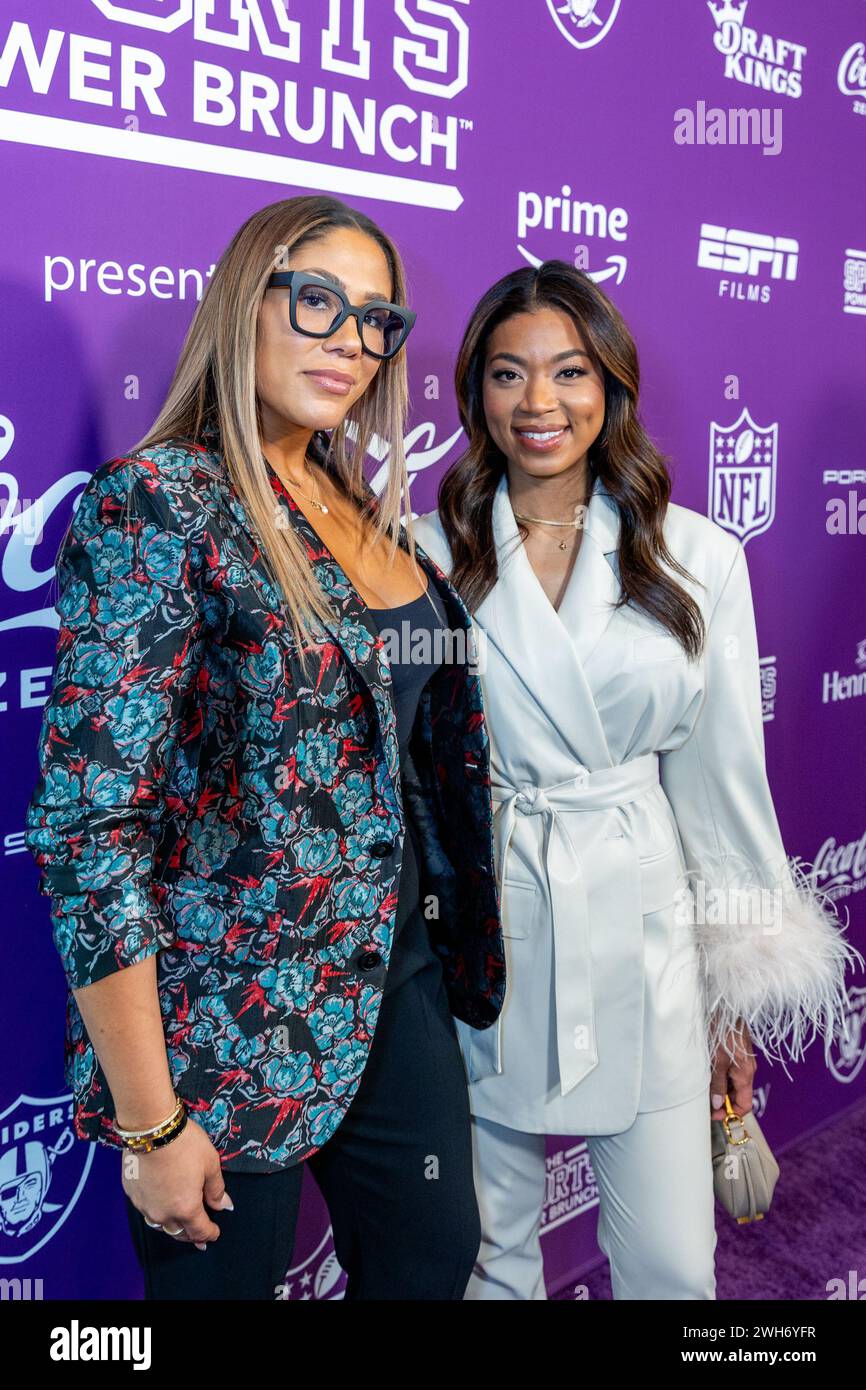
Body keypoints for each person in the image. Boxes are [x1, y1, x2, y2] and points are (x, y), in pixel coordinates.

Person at [24, 194, 504, 1301]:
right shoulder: (162, 502)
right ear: (248, 299)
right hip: (223, 1023)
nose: (351, 338)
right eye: (319, 300)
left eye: (376, 318)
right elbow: (90, 824)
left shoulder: (354, 501)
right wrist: (152, 1124)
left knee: (431, 1256)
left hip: (398, 982)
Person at [412, 260, 863, 1300]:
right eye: (507, 373)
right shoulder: (424, 553)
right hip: (484, 932)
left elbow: (720, 790)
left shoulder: (694, 556)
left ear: (611, 385)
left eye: (568, 372)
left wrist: (733, 993)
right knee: (490, 1257)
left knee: (668, 1261)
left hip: (644, 931)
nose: (538, 403)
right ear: (473, 391)